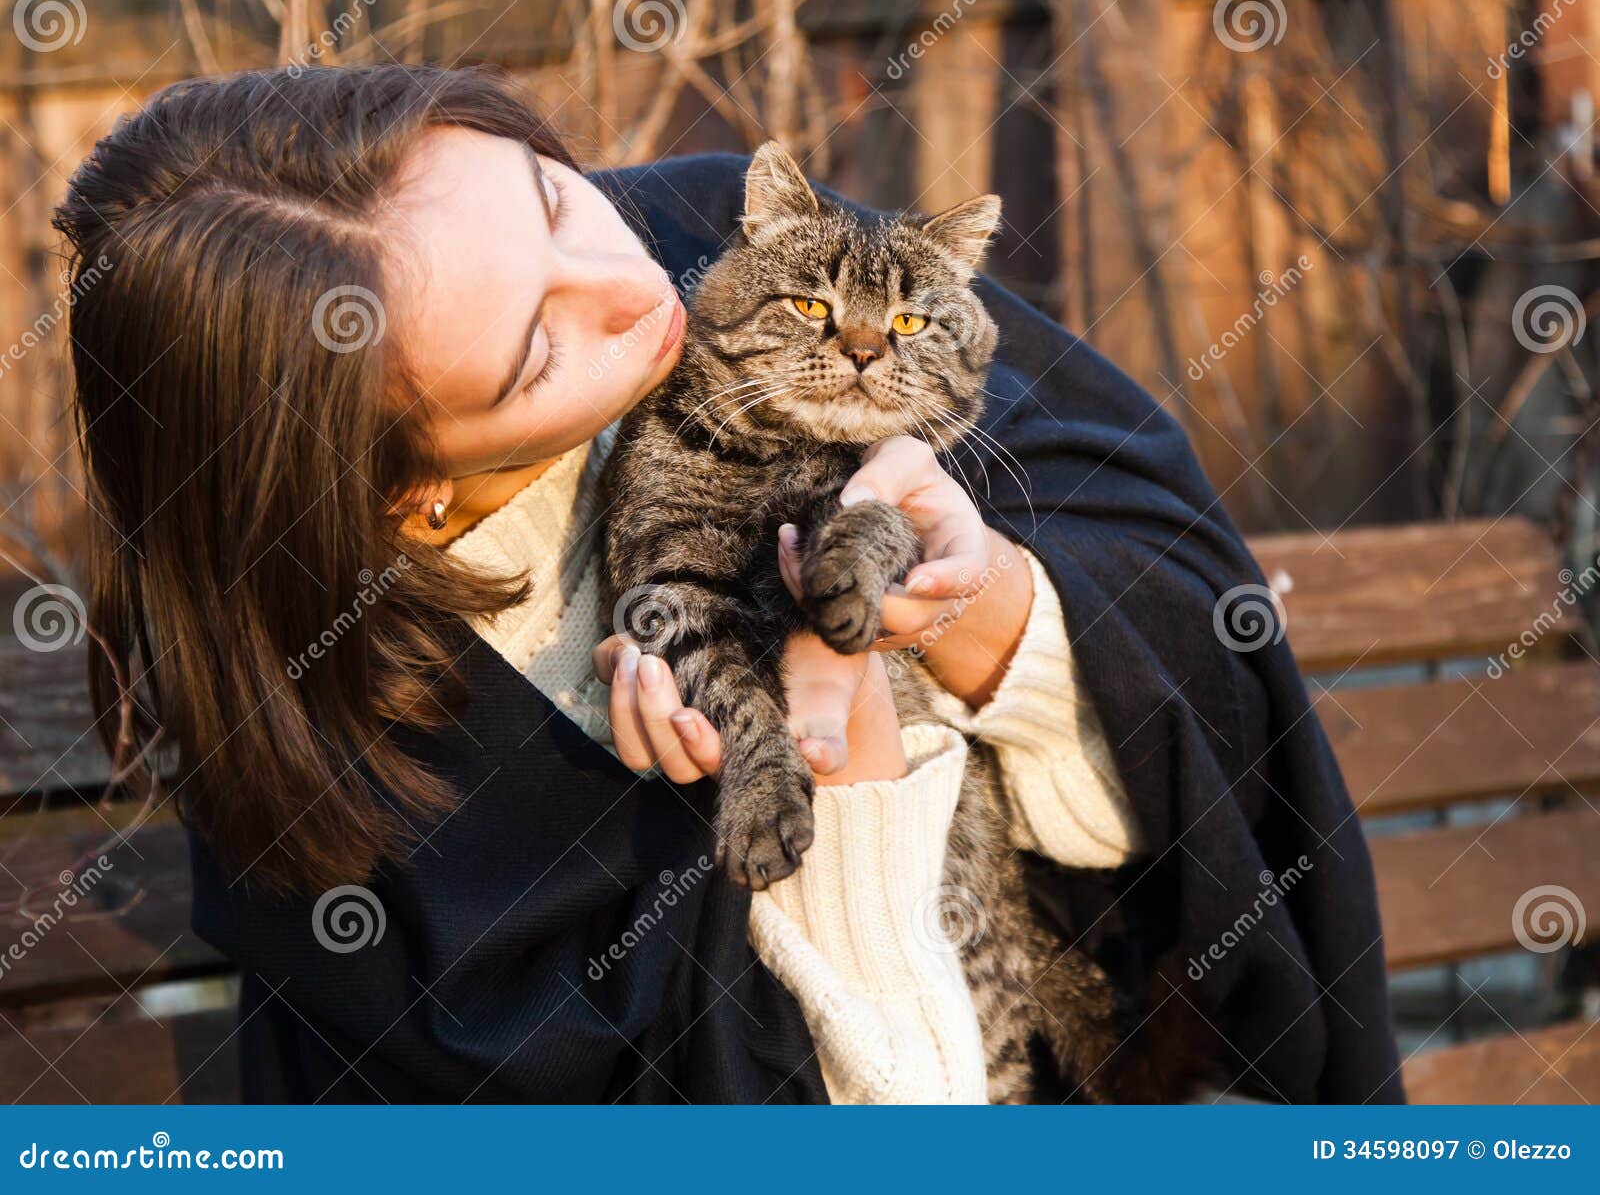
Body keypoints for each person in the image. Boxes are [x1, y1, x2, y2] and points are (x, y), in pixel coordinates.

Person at [54, 63, 1403, 1103]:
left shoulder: (719, 227)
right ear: (403, 493)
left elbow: (1165, 573)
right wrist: (842, 761)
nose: (628, 285)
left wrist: (987, 612)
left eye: (555, 198)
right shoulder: (345, 752)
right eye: (535, 353)